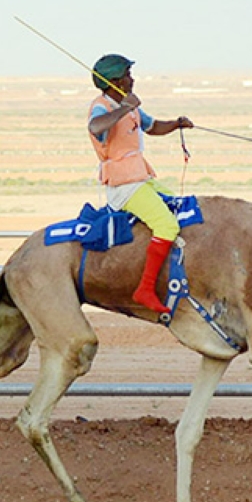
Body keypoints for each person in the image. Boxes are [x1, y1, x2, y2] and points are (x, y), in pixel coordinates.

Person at [86, 53, 194, 316]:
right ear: (114, 81)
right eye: (127, 75)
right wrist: (124, 107)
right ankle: (145, 288)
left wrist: (177, 124)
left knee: (182, 207)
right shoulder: (103, 107)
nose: (132, 79)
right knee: (167, 225)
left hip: (141, 178)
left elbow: (152, 126)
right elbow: (95, 126)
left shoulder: (129, 106)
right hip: (124, 185)